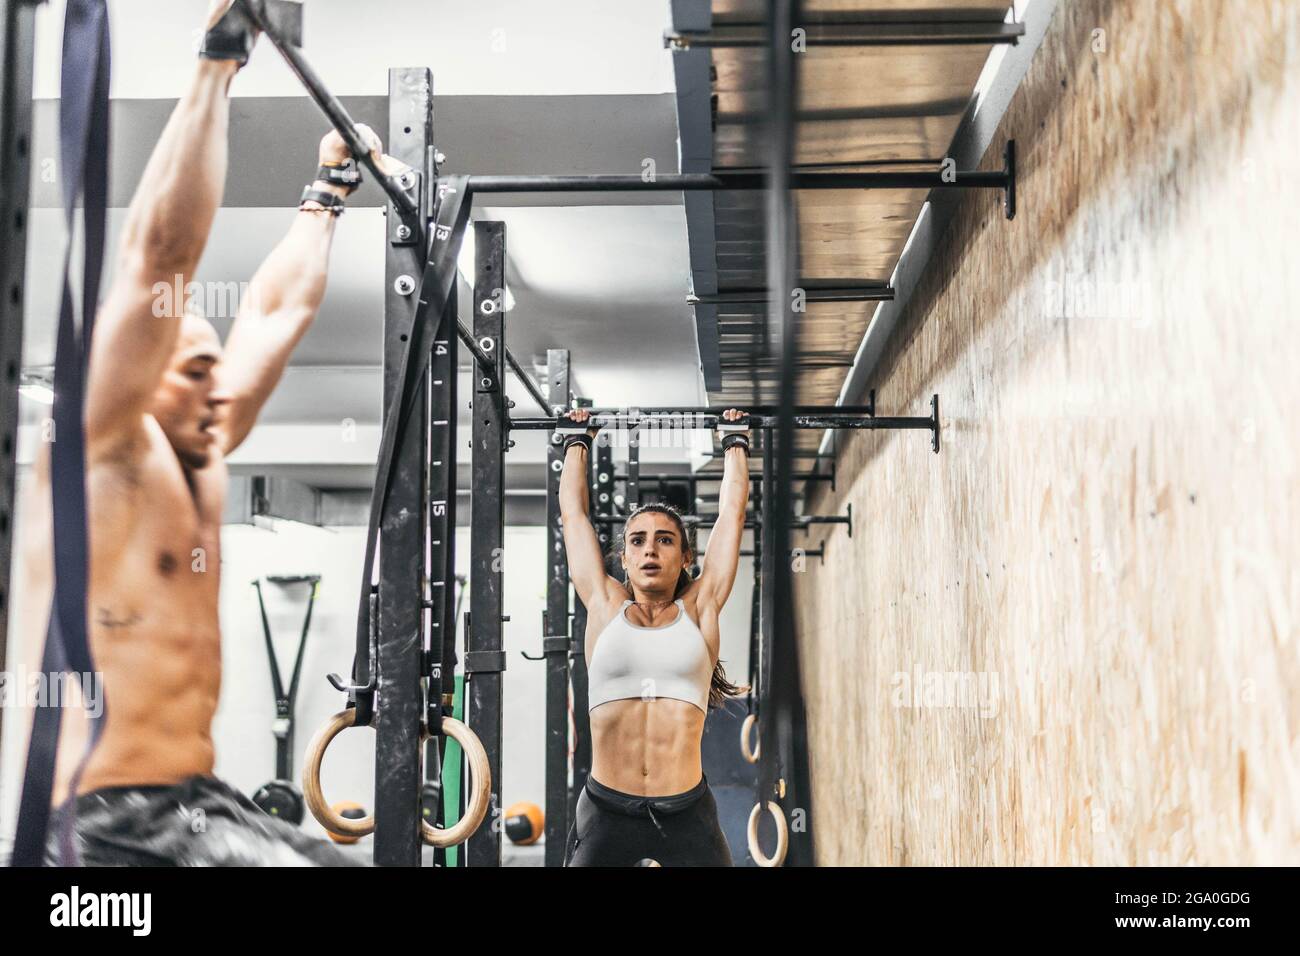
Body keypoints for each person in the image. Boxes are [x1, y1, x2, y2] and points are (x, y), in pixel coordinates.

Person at [14, 0, 396, 866]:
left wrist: (328, 190)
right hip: (109, 823)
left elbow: (275, 310)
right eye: (194, 370)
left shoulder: (203, 448)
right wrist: (219, 62)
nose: (219, 389)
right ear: (138, 378)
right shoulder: (101, 448)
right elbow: (160, 258)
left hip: (197, 805)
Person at [558, 407, 750, 866]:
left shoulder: (701, 609)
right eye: (639, 540)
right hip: (607, 810)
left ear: (686, 557)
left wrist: (735, 441)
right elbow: (573, 515)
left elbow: (731, 515)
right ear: (623, 557)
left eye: (665, 540)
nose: (650, 549)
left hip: (686, 812)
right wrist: (576, 442)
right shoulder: (604, 608)